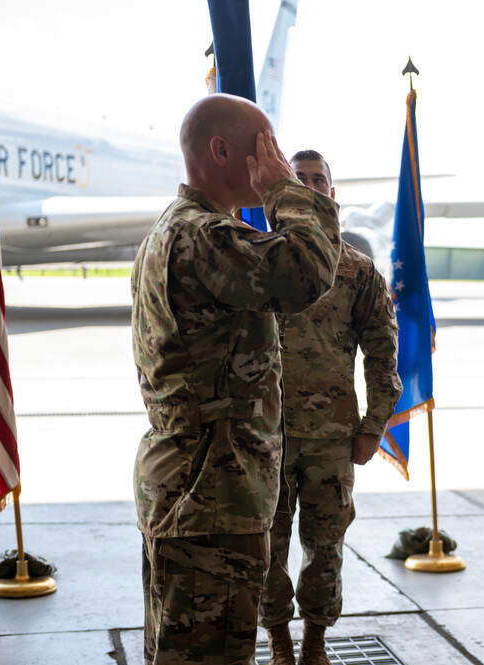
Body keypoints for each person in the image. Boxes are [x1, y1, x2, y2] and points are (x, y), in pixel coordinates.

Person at [131, 94, 341, 665]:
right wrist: (283, 189)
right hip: (210, 495)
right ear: (222, 150)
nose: (272, 158)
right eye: (264, 148)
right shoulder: (204, 237)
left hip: (196, 487)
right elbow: (308, 272)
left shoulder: (181, 229)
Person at [260, 149, 401, 665]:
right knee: (266, 550)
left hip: (331, 438)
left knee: (325, 548)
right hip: (265, 437)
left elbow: (383, 353)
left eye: (319, 180)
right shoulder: (261, 259)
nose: (312, 187)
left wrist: (372, 427)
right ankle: (277, 642)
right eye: (299, 179)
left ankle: (316, 641)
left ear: (333, 195)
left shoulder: (358, 271)